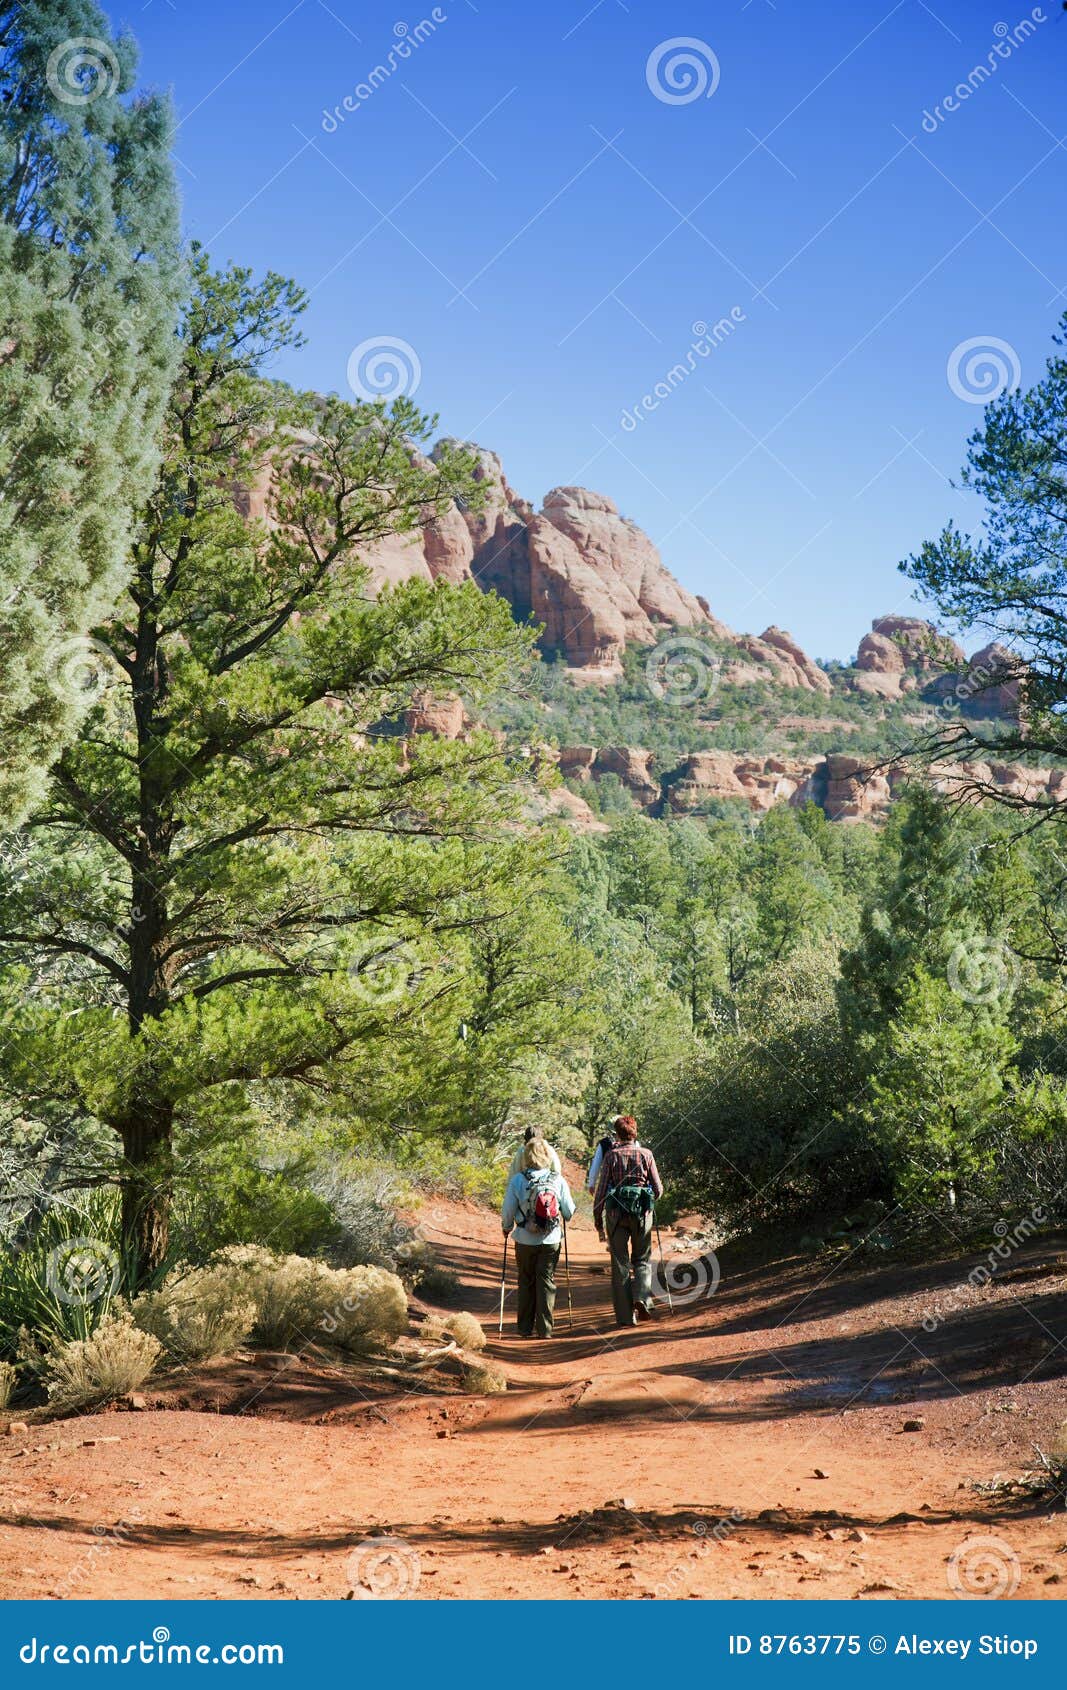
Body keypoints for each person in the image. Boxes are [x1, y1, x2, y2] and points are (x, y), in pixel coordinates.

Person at [501, 1136, 575, 1339]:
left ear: (527, 1156)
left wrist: (507, 1228)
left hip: (524, 1239)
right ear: (547, 1156)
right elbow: (568, 1212)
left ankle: (524, 1328)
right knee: (546, 1281)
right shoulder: (557, 1179)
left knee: (526, 1281)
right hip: (551, 1240)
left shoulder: (518, 1180)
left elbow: (508, 1210)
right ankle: (545, 1330)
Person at [593, 1114, 663, 1328]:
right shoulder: (646, 1154)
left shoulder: (611, 1156)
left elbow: (602, 1191)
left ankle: (625, 1317)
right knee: (641, 1259)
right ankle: (641, 1297)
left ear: (616, 1134)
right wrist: (648, 1200)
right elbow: (658, 1189)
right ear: (635, 1133)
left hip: (615, 1217)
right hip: (642, 1216)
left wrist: (598, 1220)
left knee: (620, 1264)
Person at [586, 1115, 620, 1194]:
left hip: (610, 1187)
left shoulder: (604, 1143)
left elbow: (595, 1166)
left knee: (600, 1205)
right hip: (632, 1187)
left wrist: (592, 1184)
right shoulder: (634, 1143)